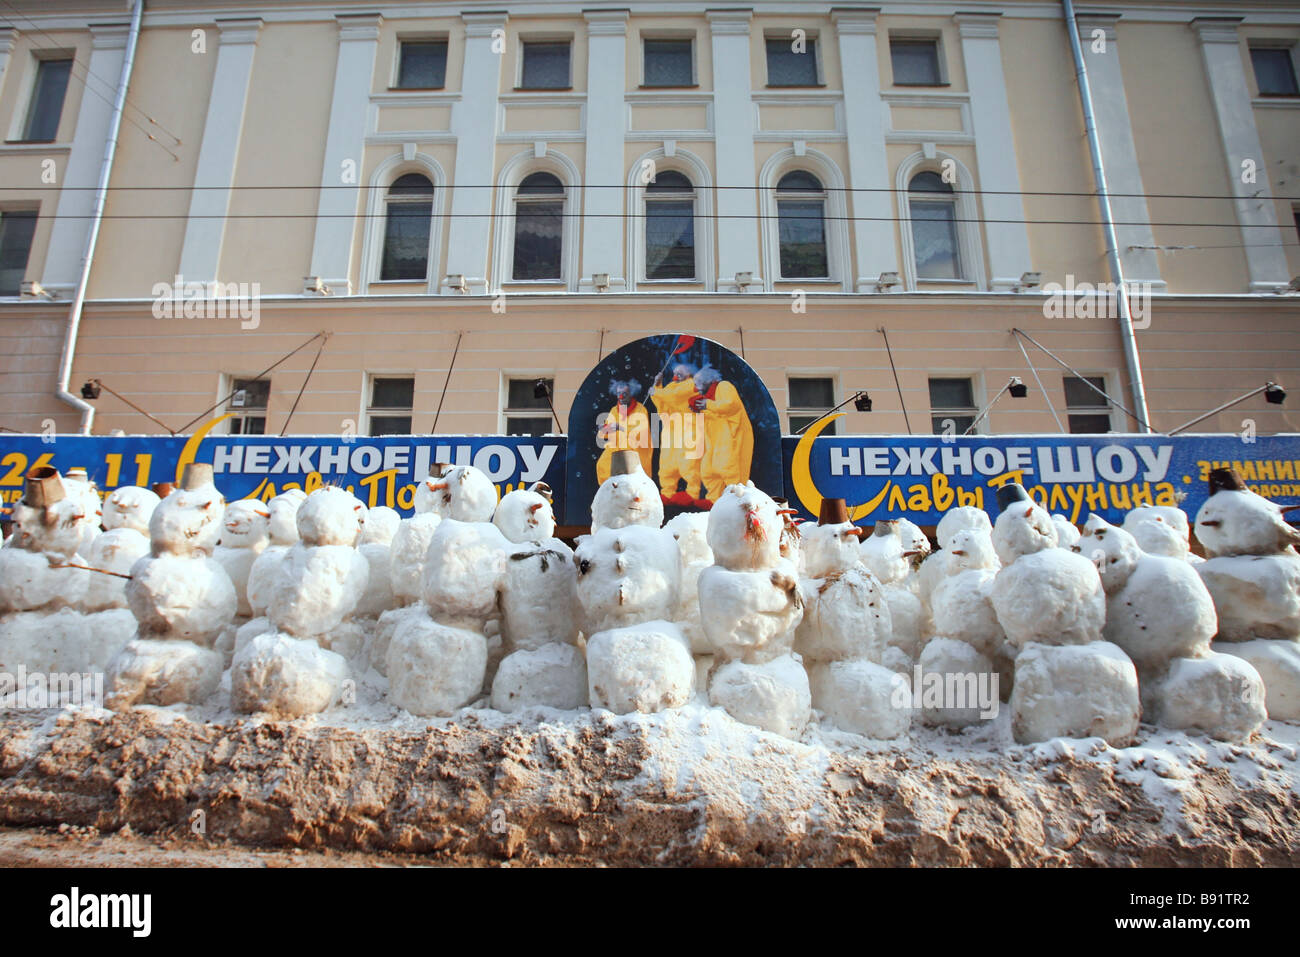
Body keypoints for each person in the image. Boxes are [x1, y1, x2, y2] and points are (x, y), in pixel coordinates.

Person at [690, 366, 753, 505]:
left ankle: (736, 502)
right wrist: (698, 410)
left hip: (733, 437)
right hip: (716, 441)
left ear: (708, 381)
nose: (695, 388)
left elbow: (730, 405)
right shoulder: (709, 396)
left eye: (698, 383)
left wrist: (708, 405)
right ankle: (713, 502)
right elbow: (715, 416)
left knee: (729, 471)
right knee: (708, 472)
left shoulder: (724, 386)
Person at [648, 363, 702, 506]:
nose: (676, 375)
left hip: (690, 428)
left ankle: (693, 494)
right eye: (675, 372)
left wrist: (657, 391)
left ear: (689, 374)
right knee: (667, 464)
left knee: (689, 464)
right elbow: (661, 403)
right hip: (671, 429)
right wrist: (657, 385)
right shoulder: (671, 387)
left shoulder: (692, 385)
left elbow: (675, 397)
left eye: (680, 372)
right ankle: (666, 494)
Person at [595, 378, 654, 485]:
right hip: (617, 447)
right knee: (602, 465)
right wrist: (605, 428)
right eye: (618, 393)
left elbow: (640, 433)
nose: (621, 397)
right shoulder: (614, 410)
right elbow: (605, 433)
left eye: (624, 394)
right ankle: (610, 490)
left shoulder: (641, 409)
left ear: (631, 393)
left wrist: (620, 428)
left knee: (632, 476)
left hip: (635, 449)